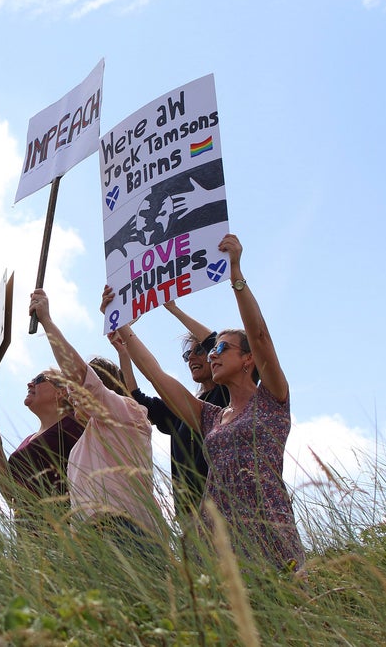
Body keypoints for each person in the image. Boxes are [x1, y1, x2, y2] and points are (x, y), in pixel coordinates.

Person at [115, 234, 305, 572]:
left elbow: (260, 336)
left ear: (248, 360)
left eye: (220, 349)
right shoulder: (212, 417)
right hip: (214, 542)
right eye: (210, 351)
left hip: (268, 534)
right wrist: (123, 327)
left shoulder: (273, 401)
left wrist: (236, 273)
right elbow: (158, 377)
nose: (211, 356)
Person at [28, 288, 161, 544]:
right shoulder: (82, 445)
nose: (71, 394)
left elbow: (80, 376)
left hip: (125, 531)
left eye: (73, 388)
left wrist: (47, 322)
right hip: (92, 537)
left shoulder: (129, 412)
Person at [101, 288, 227, 519]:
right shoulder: (183, 408)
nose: (191, 358)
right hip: (190, 516)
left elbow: (216, 343)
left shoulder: (228, 396)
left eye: (198, 351)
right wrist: (123, 351)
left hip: (225, 508)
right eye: (186, 355)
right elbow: (139, 401)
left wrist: (173, 309)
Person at [0, 370, 84, 531]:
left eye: (39, 379)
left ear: (61, 392)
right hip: (29, 539)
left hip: (63, 533)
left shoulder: (74, 426)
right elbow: (11, 494)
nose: (30, 384)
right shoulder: (27, 441)